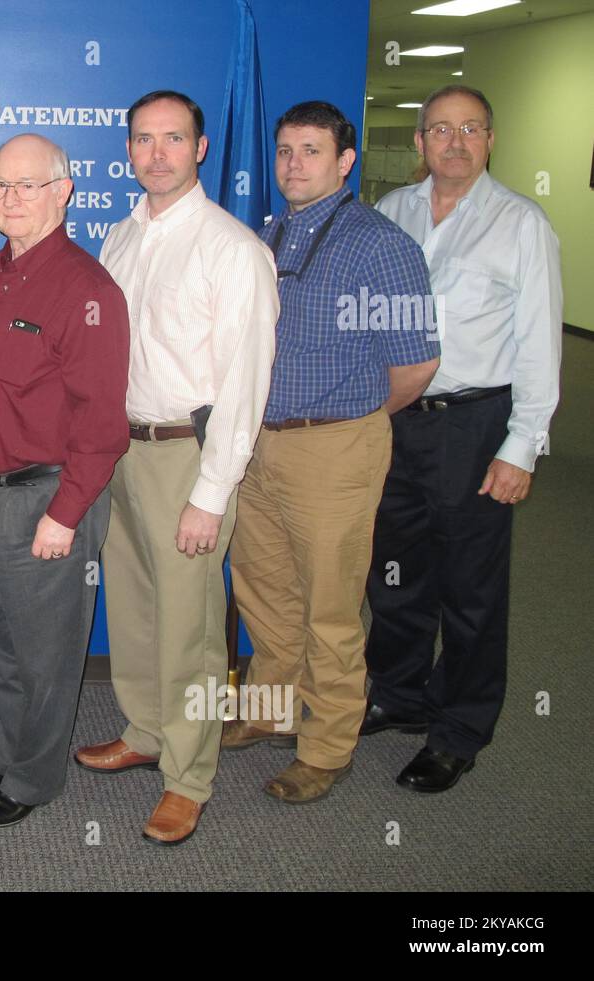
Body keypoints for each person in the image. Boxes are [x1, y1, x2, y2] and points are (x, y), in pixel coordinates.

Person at [73, 91, 278, 845]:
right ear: (128, 149)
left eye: (173, 139)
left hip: (187, 457)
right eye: (143, 139)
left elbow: (246, 385)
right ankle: (147, 730)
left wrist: (210, 493)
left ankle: (189, 777)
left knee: (190, 632)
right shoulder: (120, 237)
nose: (156, 153)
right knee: (131, 607)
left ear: (199, 148)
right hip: (119, 450)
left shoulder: (234, 249)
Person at [222, 101, 440, 804]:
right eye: (285, 151)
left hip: (335, 447)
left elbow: (417, 366)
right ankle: (272, 711)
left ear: (345, 162)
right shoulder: (268, 234)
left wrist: (349, 425)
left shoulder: (383, 246)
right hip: (260, 444)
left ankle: (327, 743)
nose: (294, 165)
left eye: (311, 151)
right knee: (264, 590)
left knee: (330, 605)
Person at [364, 85, 562, 792]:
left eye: (470, 128)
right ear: (418, 143)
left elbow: (541, 342)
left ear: (490, 139)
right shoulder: (392, 212)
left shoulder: (520, 222)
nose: (454, 142)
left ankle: (459, 728)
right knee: (393, 572)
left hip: (475, 424)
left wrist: (521, 446)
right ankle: (398, 692)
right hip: (396, 422)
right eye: (440, 130)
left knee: (470, 590)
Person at [0, 133, 130, 828]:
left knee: (47, 654)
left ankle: (32, 779)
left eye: (27, 185)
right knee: (1, 641)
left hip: (47, 500)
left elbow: (102, 424)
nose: (10, 198)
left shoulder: (88, 291)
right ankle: (6, 750)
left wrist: (65, 513)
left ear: (64, 192)